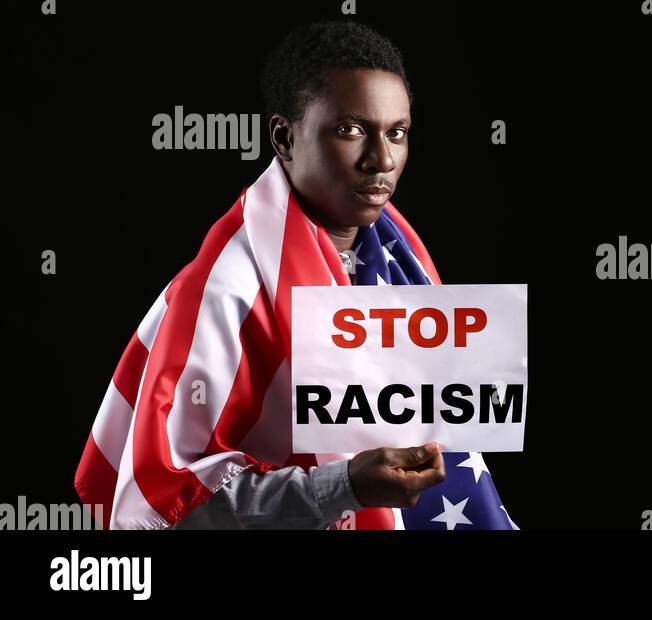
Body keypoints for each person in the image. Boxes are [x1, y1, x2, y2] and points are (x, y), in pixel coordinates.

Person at [74, 22, 517, 530]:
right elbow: (164, 509)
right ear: (284, 137)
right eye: (350, 130)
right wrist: (344, 488)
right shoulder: (226, 290)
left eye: (396, 132)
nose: (383, 160)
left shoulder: (397, 259)